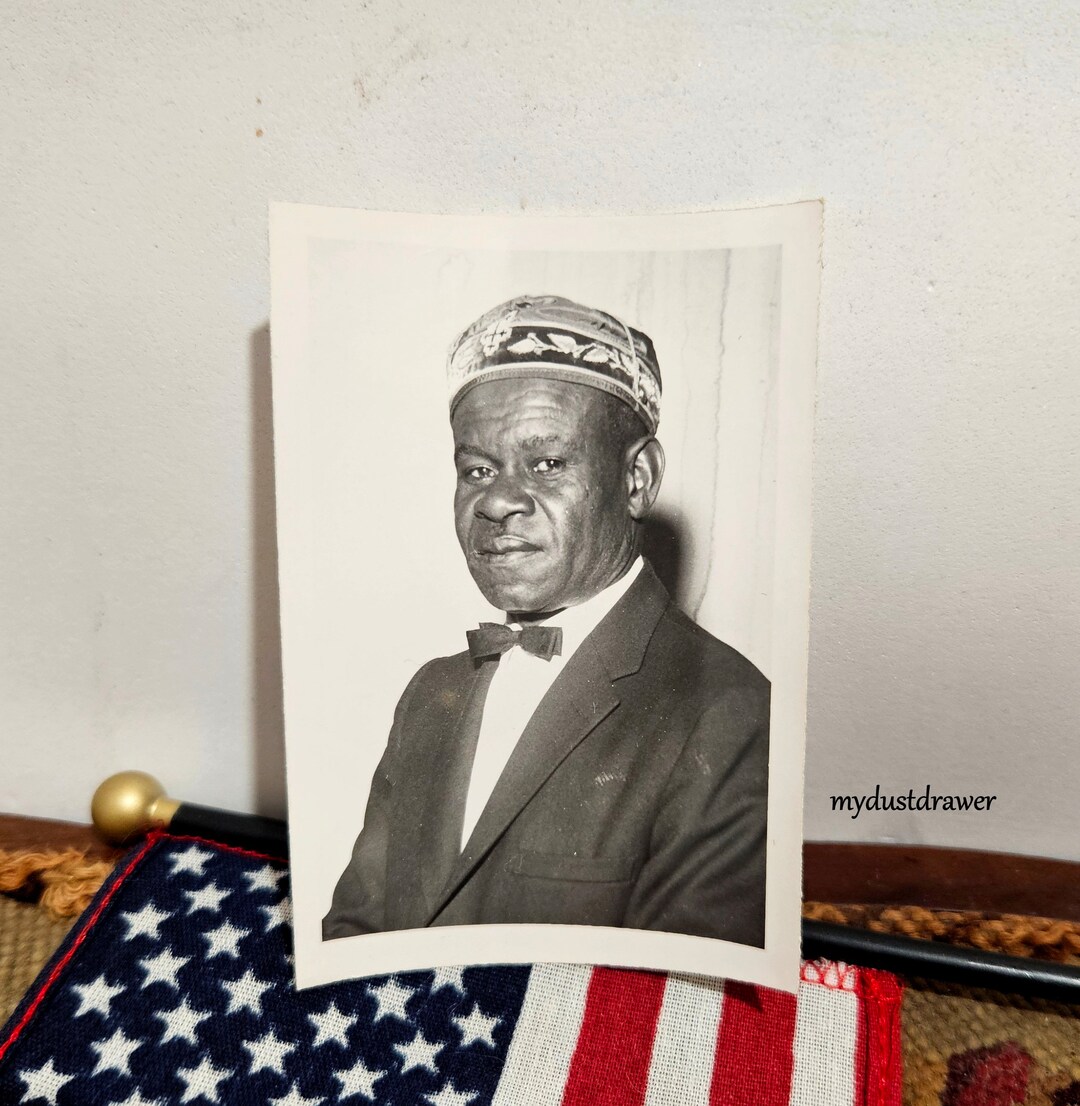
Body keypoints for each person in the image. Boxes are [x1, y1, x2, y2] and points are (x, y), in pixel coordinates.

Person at [323, 294, 770, 946]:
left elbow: (665, 995)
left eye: (548, 464)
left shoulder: (728, 710)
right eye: (477, 469)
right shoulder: (430, 693)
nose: (498, 500)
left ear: (637, 478)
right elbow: (354, 934)